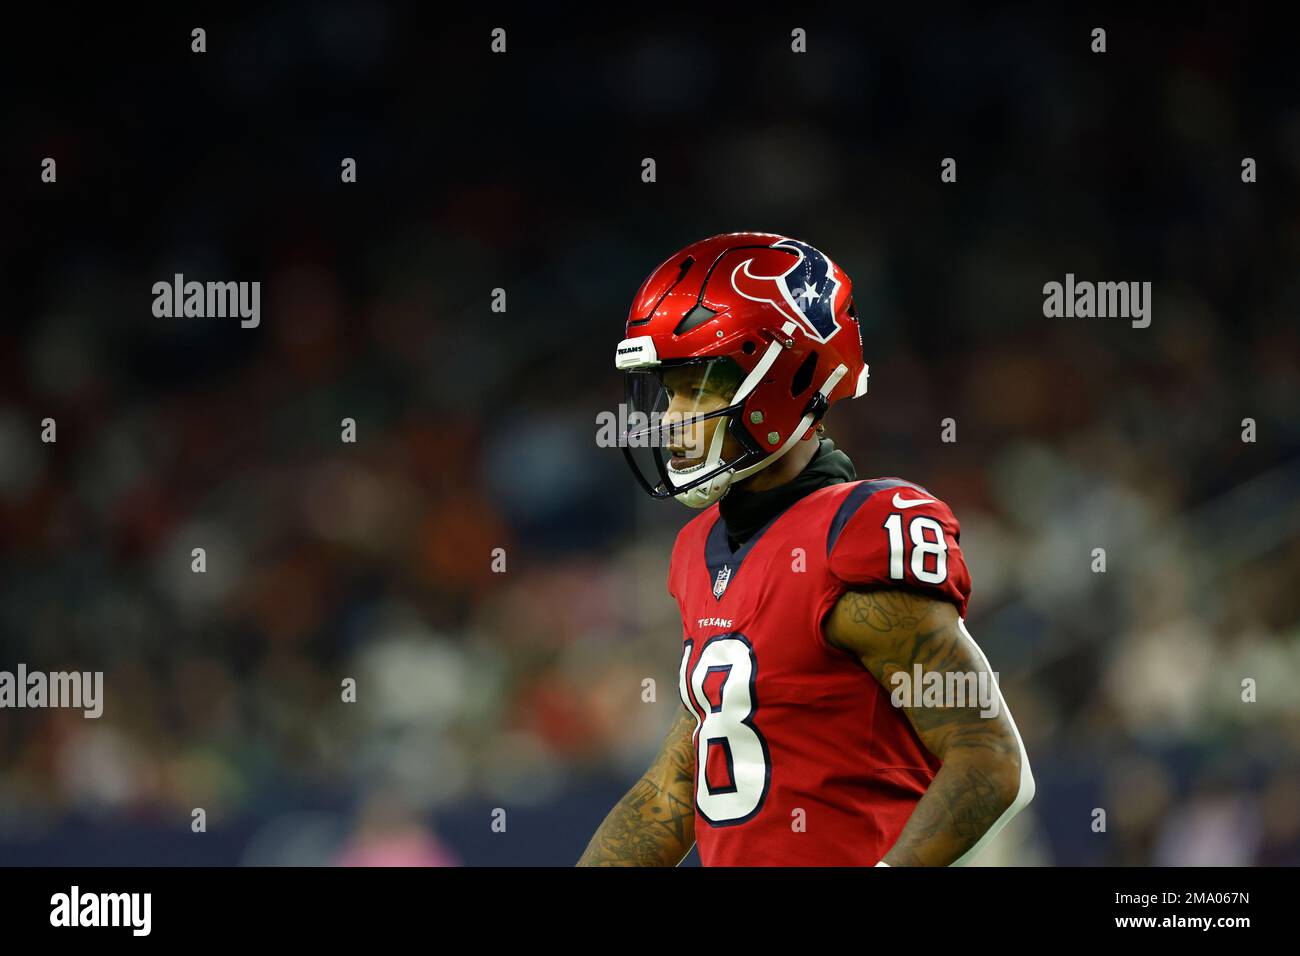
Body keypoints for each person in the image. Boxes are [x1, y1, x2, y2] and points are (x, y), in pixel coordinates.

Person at [579, 232, 1034, 866]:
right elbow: (671, 791)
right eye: (670, 390)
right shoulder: (701, 547)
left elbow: (989, 760)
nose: (671, 417)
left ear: (785, 378)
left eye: (699, 388)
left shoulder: (856, 532)